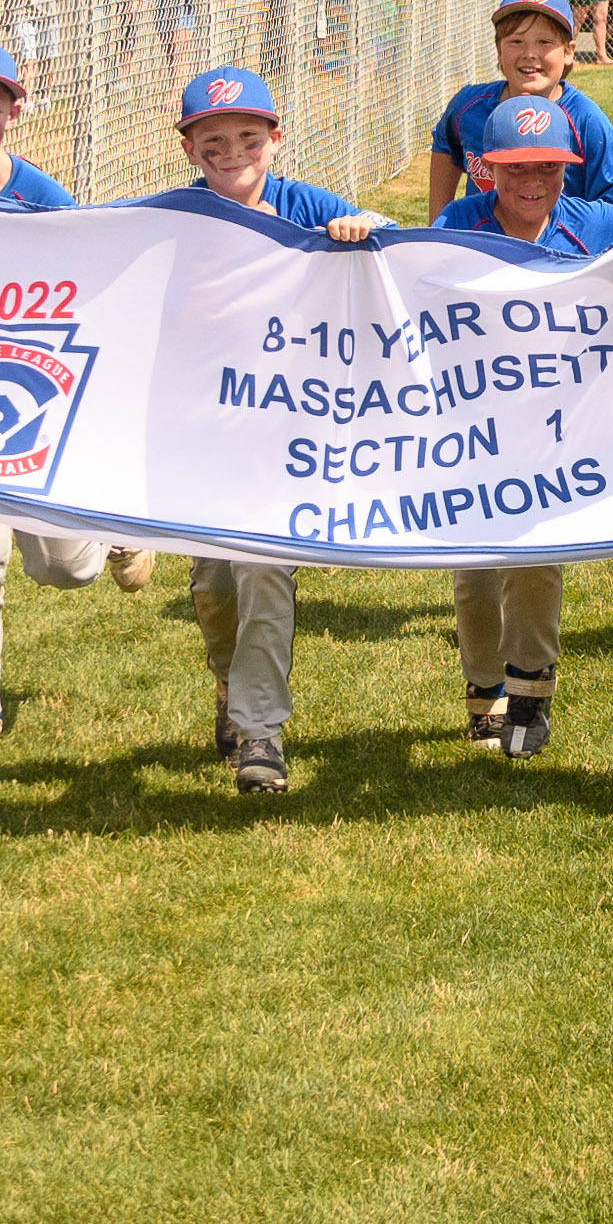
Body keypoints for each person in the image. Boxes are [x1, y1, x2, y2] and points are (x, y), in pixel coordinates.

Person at [0, 37, 157, 762]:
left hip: (41, 412)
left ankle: (116, 532)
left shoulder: (43, 200)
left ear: (15, 111)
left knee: (61, 568)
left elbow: (87, 299)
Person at [171, 66, 389, 792]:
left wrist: (364, 229)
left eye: (247, 137)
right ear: (189, 147)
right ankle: (231, 687)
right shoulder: (174, 215)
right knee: (213, 587)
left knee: (263, 568)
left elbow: (398, 247)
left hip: (285, 428)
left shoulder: (302, 204)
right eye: (213, 140)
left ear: (275, 139)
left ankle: (260, 733)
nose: (232, 151)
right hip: (203, 427)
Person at [431, 97, 613, 756]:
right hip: (475, 421)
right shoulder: (459, 224)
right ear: (485, 168)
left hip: (555, 424)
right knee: (473, 567)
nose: (532, 181)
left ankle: (529, 689)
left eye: (549, 168)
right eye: (515, 166)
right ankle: (483, 692)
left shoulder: (592, 224)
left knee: (537, 558)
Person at [427, 0, 613, 217]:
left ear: (569, 52)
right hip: (484, 248)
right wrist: (437, 227)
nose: (529, 53)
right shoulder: (470, 106)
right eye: (516, 41)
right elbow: (446, 143)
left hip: (556, 250)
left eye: (544, 42)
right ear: (498, 50)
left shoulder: (584, 118)